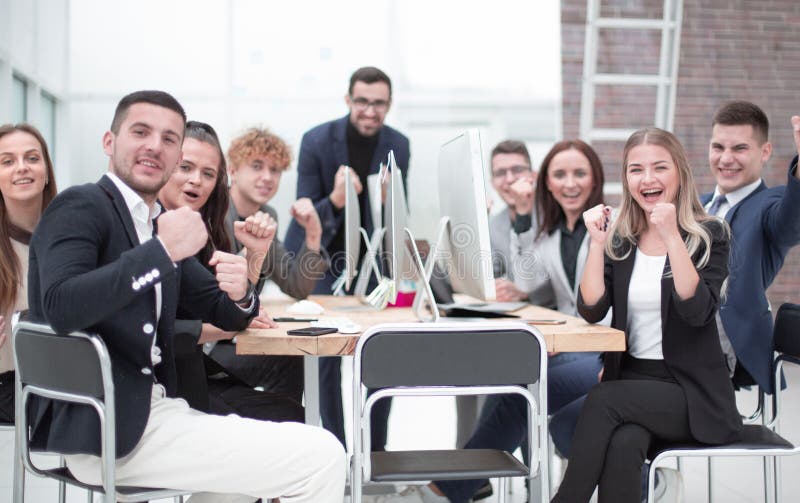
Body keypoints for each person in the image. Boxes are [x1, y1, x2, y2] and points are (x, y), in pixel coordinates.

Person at [27, 90, 345, 502]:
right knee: (322, 456)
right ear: (110, 142)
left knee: (261, 473)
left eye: (169, 138)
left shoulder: (157, 222)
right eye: (141, 132)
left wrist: (243, 285)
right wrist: (160, 252)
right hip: (105, 426)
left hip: (156, 411)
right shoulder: (81, 205)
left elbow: (227, 311)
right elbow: (60, 308)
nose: (155, 146)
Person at [380, 140, 607, 503]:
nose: (570, 184)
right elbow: (525, 280)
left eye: (579, 174)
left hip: (599, 350)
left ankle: (449, 489)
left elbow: (554, 292)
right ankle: (460, 484)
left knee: (521, 389)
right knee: (514, 382)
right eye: (560, 175)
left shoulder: (603, 227)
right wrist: (505, 222)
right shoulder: (553, 231)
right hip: (568, 340)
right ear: (548, 182)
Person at [551, 128, 741, 503]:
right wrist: (597, 244)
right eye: (636, 170)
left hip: (692, 392)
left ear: (680, 173)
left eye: (659, 168)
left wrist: (672, 236)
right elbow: (591, 309)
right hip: (635, 381)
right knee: (624, 443)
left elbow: (697, 311)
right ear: (626, 178)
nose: (648, 178)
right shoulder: (623, 238)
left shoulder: (711, 234)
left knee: (603, 400)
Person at [159, 121, 326, 422]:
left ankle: (275, 431)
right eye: (257, 166)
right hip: (203, 344)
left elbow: (296, 285)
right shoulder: (207, 214)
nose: (267, 177)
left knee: (290, 363)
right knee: (287, 368)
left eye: (275, 170)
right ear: (233, 171)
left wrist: (313, 236)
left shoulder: (264, 217)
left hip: (223, 332)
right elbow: (212, 303)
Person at [284, 66, 410, 449]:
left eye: (379, 103)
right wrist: (338, 199)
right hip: (324, 260)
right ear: (348, 100)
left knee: (382, 353)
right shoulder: (317, 141)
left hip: (373, 264)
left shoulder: (399, 144)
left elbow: (396, 222)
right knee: (325, 358)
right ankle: (336, 449)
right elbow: (304, 217)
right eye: (363, 102)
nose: (370, 111)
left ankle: (375, 453)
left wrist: (391, 202)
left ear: (388, 105)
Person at [703, 101, 800, 393]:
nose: (726, 158)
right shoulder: (697, 205)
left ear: (765, 152)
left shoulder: (769, 204)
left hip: (715, 356)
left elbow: (791, 222)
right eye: (718, 147)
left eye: (740, 148)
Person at [0, 123, 57, 424]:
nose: (21, 168)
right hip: (10, 392)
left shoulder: (73, 237)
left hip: (70, 381)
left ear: (47, 172)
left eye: (32, 158)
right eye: (7, 161)